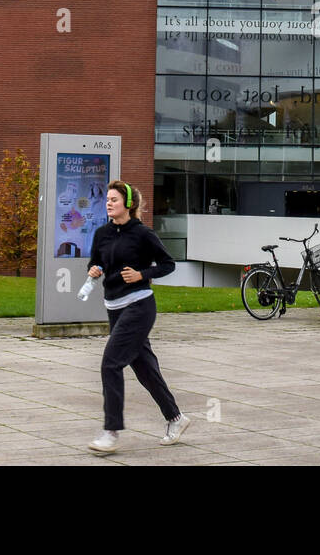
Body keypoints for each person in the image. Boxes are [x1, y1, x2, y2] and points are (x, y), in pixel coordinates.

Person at [85, 180, 190, 454]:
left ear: (128, 204)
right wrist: (94, 270)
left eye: (114, 200)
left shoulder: (143, 234)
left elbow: (168, 264)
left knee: (110, 364)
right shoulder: (102, 233)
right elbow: (96, 261)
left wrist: (143, 274)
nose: (108, 203)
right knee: (144, 368)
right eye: (107, 199)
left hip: (140, 306)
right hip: (114, 307)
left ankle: (111, 431)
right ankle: (176, 419)